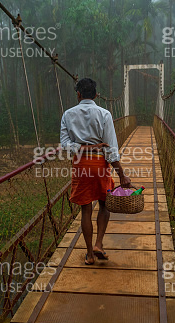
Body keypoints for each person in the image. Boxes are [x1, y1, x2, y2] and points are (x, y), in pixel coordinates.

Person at [60, 78, 131, 265]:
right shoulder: (104, 114)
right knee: (104, 205)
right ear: (97, 95)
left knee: (85, 210)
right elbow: (111, 149)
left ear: (78, 94)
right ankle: (99, 243)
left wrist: (83, 148)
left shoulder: (68, 114)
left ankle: (90, 254)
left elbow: (66, 146)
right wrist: (122, 174)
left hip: (80, 165)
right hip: (100, 165)